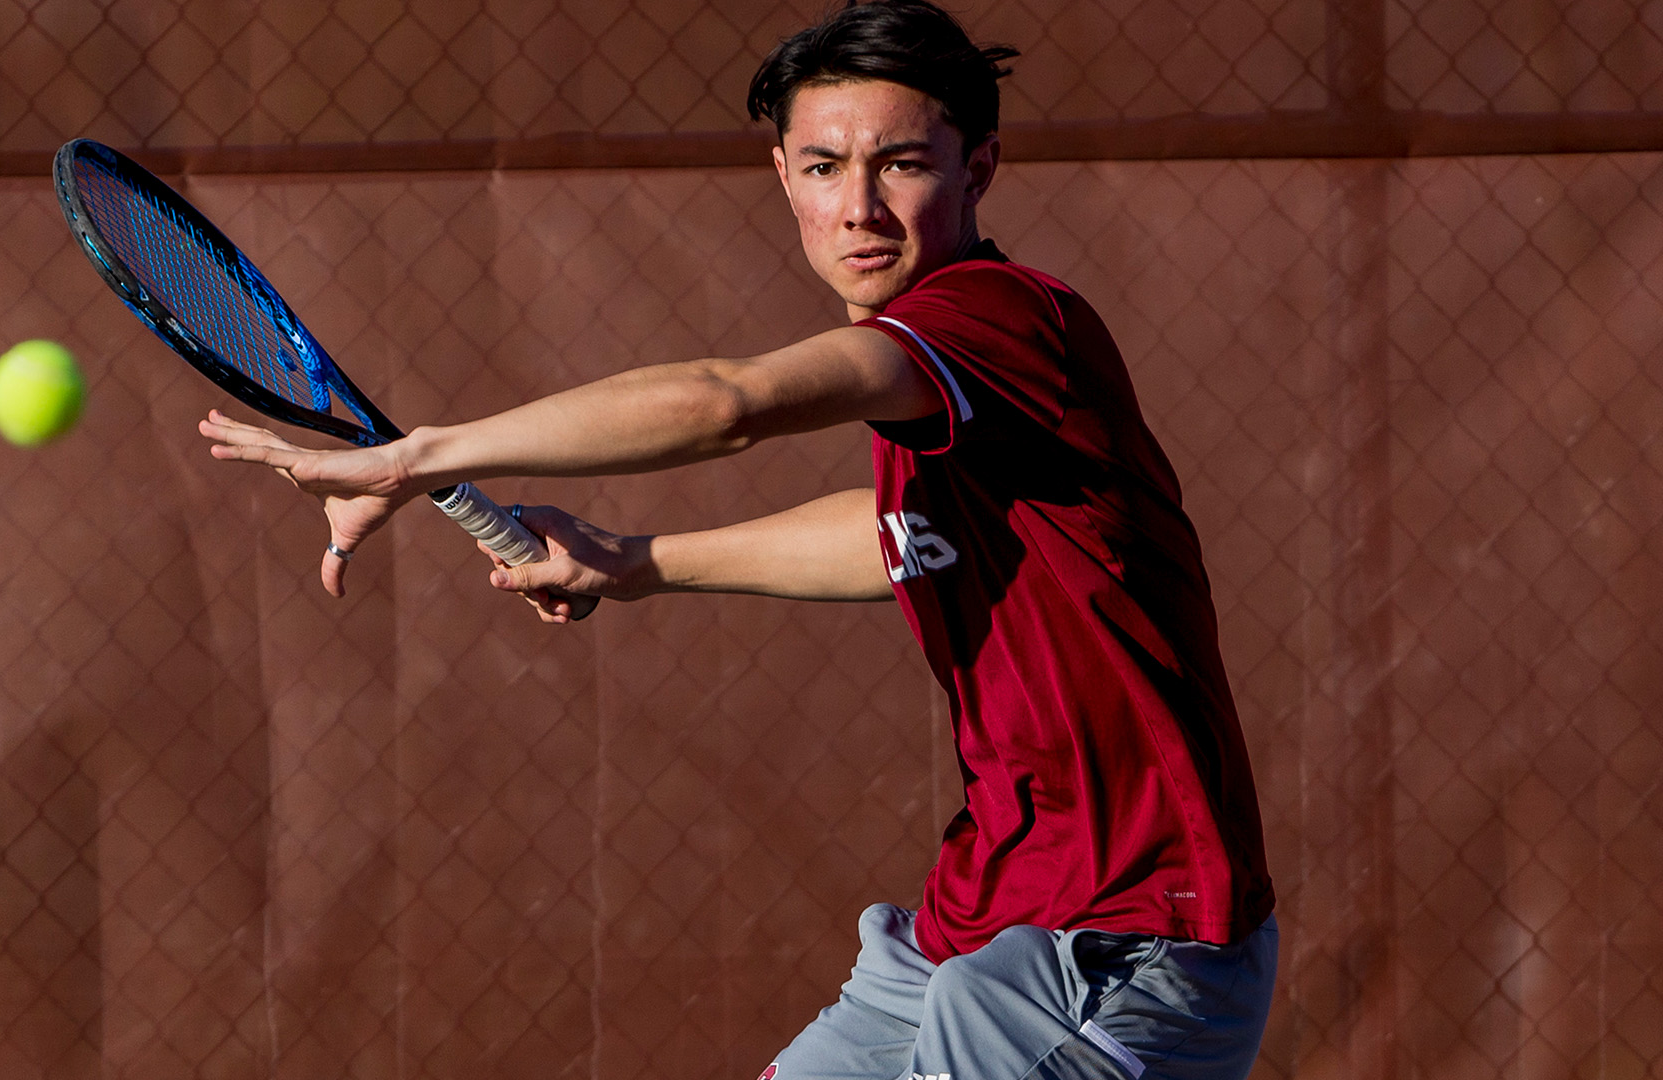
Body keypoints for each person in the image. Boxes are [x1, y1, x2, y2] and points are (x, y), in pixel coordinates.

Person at [201, 2, 1277, 1076]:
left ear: (977, 169)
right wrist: (636, 561)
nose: (859, 209)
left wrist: (414, 459)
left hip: (1129, 938)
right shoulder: (941, 402)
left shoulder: (1001, 319)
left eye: (902, 165)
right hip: (975, 918)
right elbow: (900, 537)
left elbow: (729, 403)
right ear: (783, 176)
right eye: (824, 168)